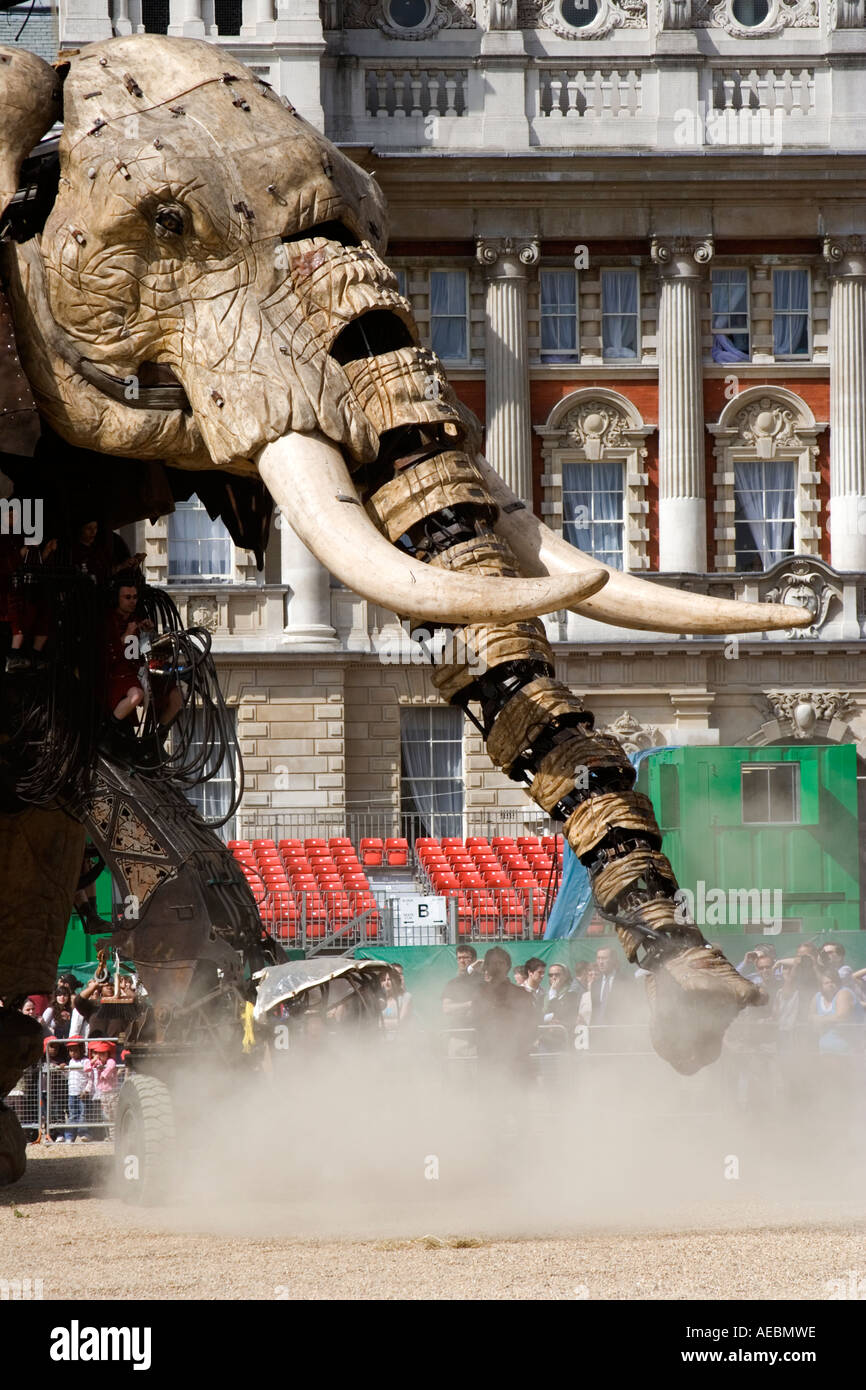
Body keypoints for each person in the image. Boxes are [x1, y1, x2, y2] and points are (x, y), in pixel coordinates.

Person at [471, 946, 538, 1082]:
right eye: (493, 963)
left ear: (508, 966)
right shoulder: (479, 994)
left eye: (501, 963)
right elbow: (477, 1022)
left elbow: (531, 1024)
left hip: (516, 1057)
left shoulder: (522, 994)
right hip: (489, 1056)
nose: (497, 967)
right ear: (487, 967)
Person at [810, 969, 864, 1055]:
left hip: (850, 1052)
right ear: (820, 986)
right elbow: (810, 1017)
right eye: (827, 983)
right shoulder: (818, 997)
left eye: (833, 982)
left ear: (838, 983)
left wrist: (820, 1019)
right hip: (826, 1051)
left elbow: (842, 1017)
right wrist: (813, 1019)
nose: (830, 985)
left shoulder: (844, 992)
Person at [64, 1037, 91, 1142]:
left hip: (82, 1093)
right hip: (72, 1093)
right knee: (72, 1114)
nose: (73, 1053)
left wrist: (87, 1090)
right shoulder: (70, 1062)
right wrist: (63, 1069)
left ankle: (84, 1134)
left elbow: (90, 1077)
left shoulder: (85, 1061)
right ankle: (69, 1136)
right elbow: (68, 1076)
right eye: (71, 1050)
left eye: (75, 1050)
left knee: (83, 1114)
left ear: (81, 1049)